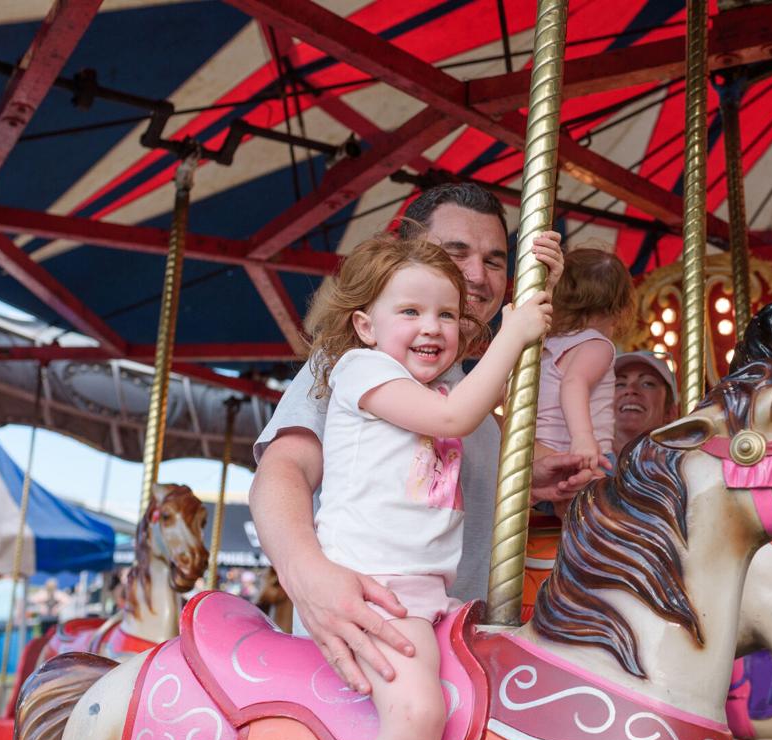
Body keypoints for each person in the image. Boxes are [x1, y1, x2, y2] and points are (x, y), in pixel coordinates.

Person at [251, 183, 591, 696]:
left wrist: (534, 476)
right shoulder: (359, 363)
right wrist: (305, 573)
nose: (476, 275)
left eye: (495, 261)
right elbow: (284, 469)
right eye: (456, 253)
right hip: (376, 628)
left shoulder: (465, 388)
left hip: (459, 639)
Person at [302, 234, 551, 740]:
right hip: (377, 592)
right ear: (365, 326)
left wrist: (540, 291)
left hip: (427, 595)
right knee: (418, 712)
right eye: (410, 312)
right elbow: (456, 416)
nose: (432, 327)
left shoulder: (433, 388)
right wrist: (513, 333)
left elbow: (487, 395)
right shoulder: (361, 371)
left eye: (446, 314)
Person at [534, 248, 635, 474]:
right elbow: (574, 382)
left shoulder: (547, 345)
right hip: (586, 455)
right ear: (618, 309)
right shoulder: (597, 344)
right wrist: (583, 437)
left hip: (541, 456)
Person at [612, 350, 679, 455]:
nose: (630, 390)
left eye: (647, 383)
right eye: (620, 384)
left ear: (670, 412)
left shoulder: (684, 464)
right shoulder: (586, 460)